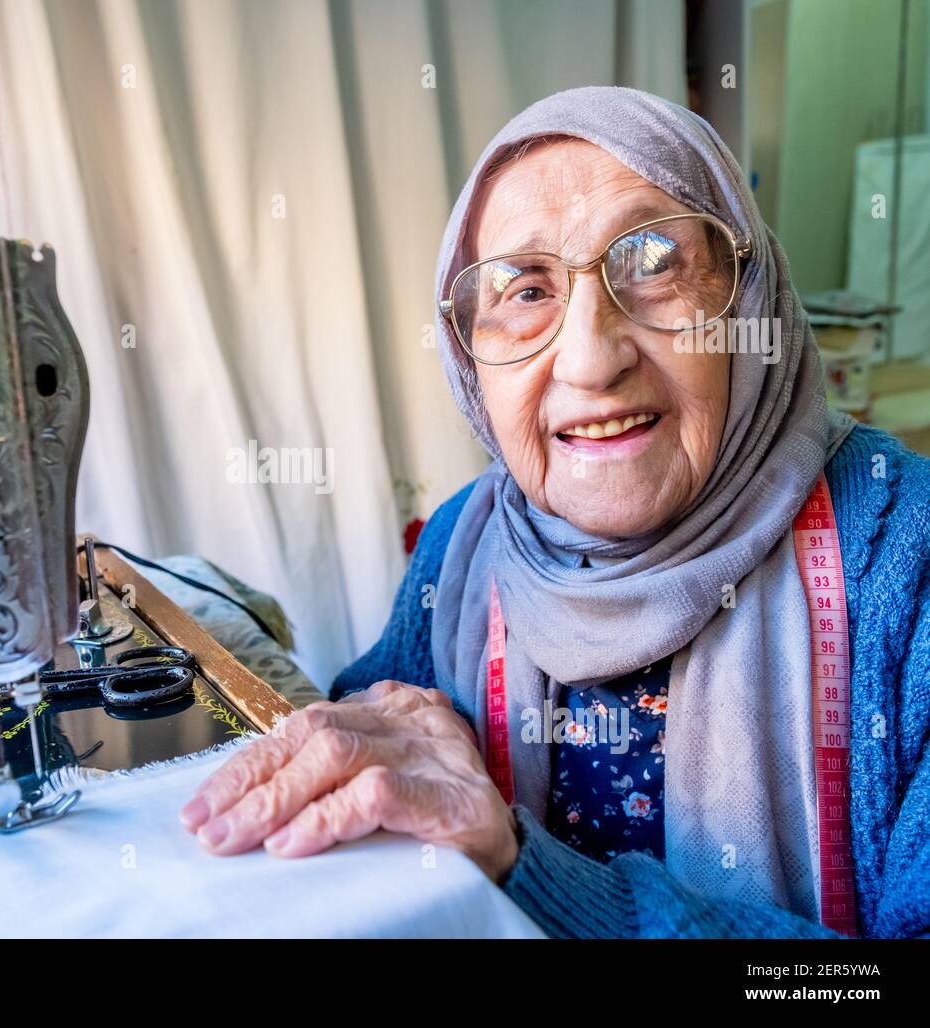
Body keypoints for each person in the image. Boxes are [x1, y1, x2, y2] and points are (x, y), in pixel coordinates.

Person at [180, 87, 930, 938]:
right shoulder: (466, 545)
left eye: (653, 261)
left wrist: (523, 867)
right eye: (524, 289)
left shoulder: (906, 555)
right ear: (471, 361)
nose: (590, 359)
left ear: (748, 297)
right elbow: (379, 768)